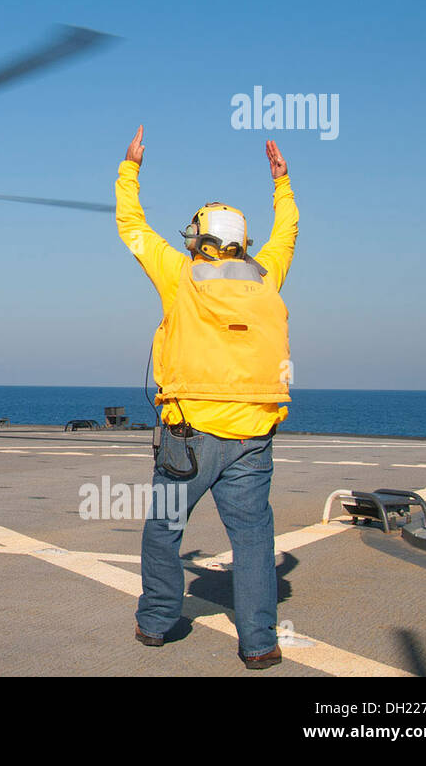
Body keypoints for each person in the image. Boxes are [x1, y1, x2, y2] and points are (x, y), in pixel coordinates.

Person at [116, 125, 298, 670]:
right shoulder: (268, 276)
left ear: (199, 237)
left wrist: (131, 169)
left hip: (189, 440)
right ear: (241, 238)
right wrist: (282, 183)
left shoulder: (181, 276)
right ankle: (260, 644)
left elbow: (132, 227)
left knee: (165, 532)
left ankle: (156, 624)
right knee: (252, 543)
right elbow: (288, 233)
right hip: (252, 441)